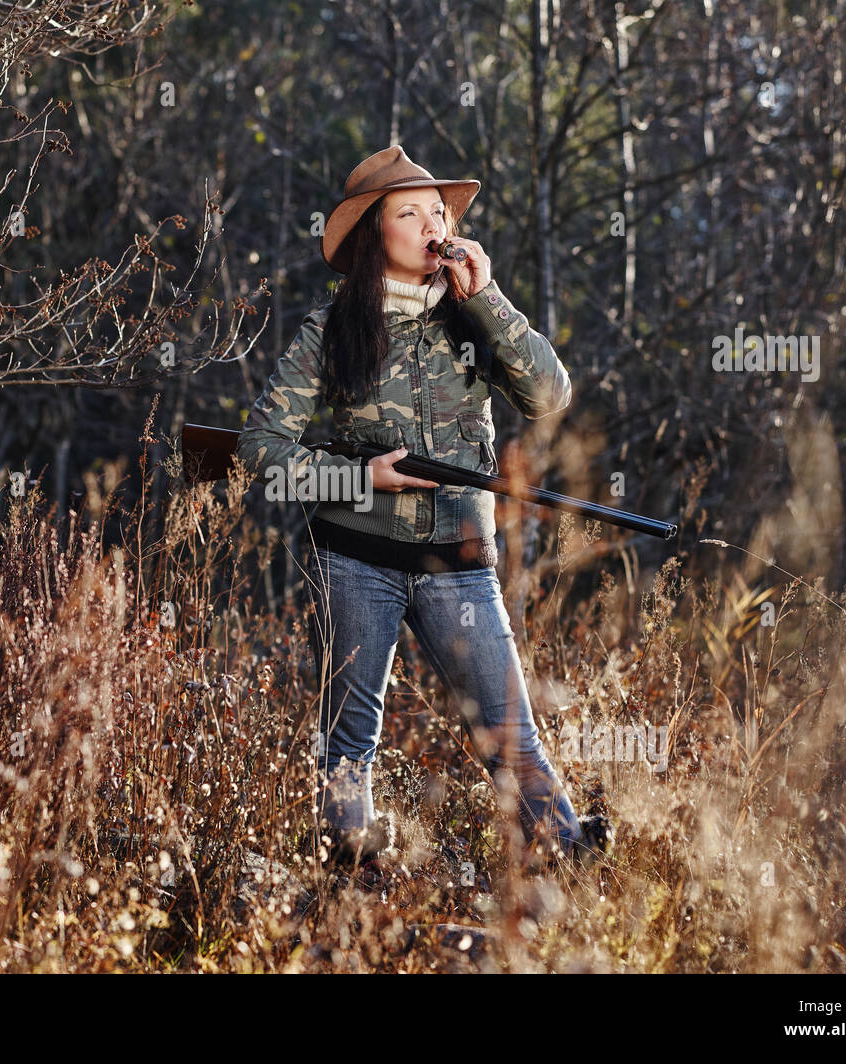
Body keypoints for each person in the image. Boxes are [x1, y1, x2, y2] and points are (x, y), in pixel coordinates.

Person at [235, 145, 611, 876]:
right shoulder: (330, 329)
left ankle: (565, 855)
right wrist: (357, 477)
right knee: (350, 736)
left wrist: (490, 300)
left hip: (459, 563)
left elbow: (550, 398)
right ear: (376, 236)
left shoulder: (474, 316)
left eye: (439, 210)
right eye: (410, 212)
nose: (433, 223)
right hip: (355, 557)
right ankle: (349, 871)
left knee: (509, 730)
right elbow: (259, 448)